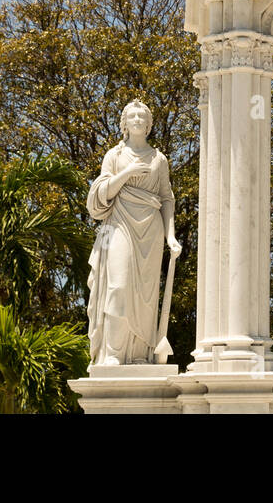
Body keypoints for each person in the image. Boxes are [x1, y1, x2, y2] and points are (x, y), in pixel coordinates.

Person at [86, 100, 180, 365]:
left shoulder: (158, 159)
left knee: (145, 296)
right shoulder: (114, 156)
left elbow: (167, 199)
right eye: (133, 116)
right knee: (118, 286)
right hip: (120, 225)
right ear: (124, 123)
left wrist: (170, 236)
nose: (138, 119)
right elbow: (99, 195)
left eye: (142, 116)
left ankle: (140, 353)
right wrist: (125, 174)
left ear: (149, 124)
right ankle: (114, 352)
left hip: (150, 229)